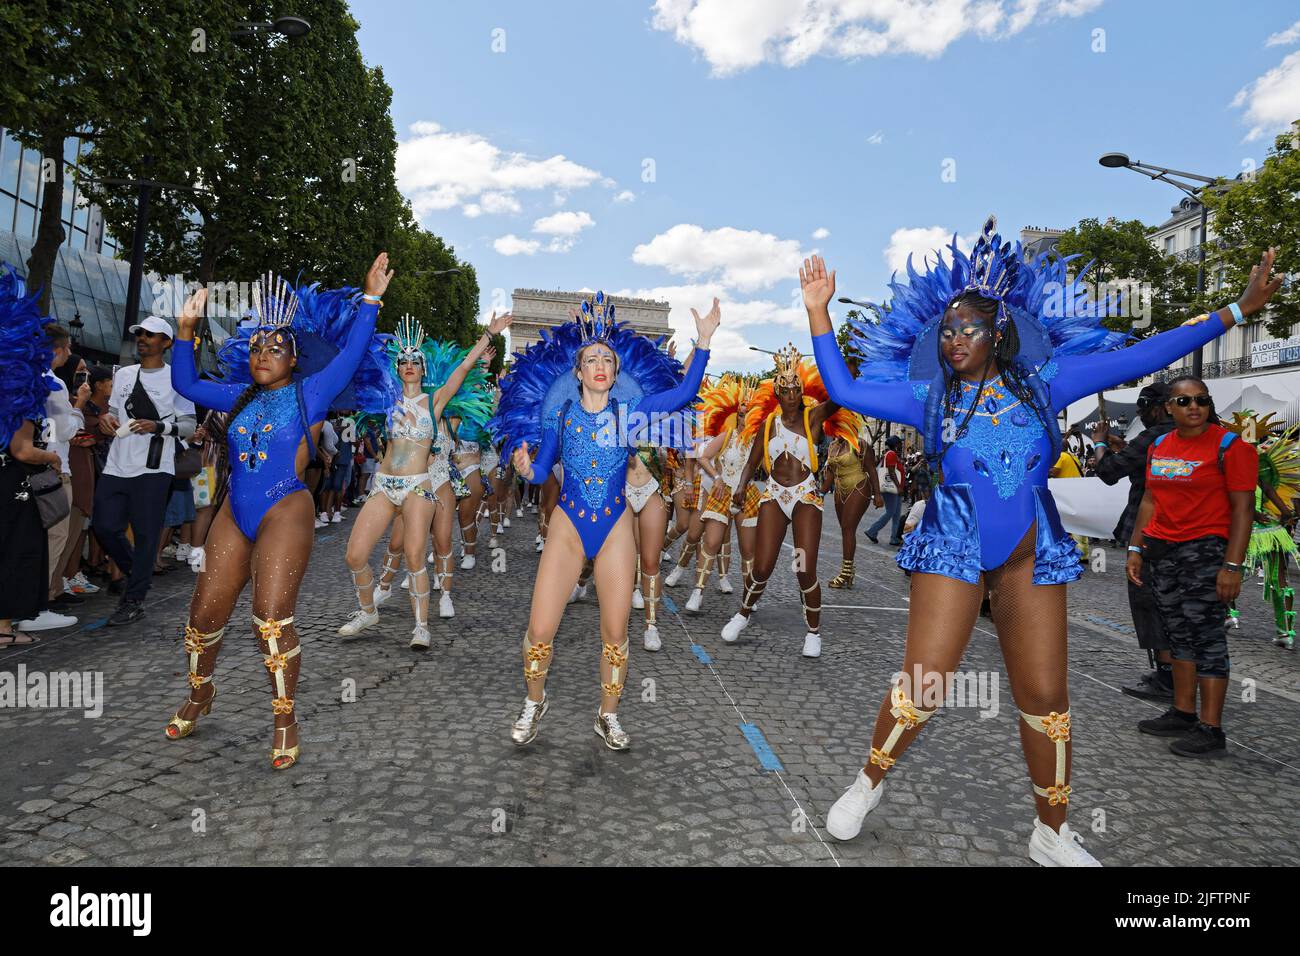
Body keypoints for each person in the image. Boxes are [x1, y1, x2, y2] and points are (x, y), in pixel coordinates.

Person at [802, 222, 1282, 866]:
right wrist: (818, 315)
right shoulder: (929, 398)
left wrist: (1235, 311)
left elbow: (1145, 354)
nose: (953, 339)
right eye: (946, 330)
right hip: (953, 543)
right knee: (926, 683)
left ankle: (1050, 833)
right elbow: (844, 389)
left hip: (1030, 549)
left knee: (1046, 695)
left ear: (998, 333)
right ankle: (866, 785)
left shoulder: (1046, 384)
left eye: (967, 328)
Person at [164, 257, 395, 769]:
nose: (263, 354)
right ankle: (200, 693)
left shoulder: (310, 393)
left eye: (275, 348)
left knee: (269, 619)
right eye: (256, 347)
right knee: (203, 616)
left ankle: (284, 717)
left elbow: (354, 353)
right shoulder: (236, 396)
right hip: (236, 511)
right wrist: (185, 330)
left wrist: (371, 300)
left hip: (286, 507)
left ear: (295, 359)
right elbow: (184, 383)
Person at [495, 292, 713, 749]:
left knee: (615, 633)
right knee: (539, 629)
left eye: (607, 359)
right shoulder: (561, 417)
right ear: (578, 372)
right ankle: (534, 702)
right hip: (569, 525)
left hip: (615, 527)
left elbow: (686, 393)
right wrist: (524, 469)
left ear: (615, 373)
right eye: (590, 358)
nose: (599, 364)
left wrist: (705, 340)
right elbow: (541, 471)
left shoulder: (630, 415)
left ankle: (607, 715)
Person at [338, 314, 505, 648]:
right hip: (384, 485)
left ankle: (421, 626)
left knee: (415, 555)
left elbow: (462, 368)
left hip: (419, 485)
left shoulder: (435, 401)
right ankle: (368, 609)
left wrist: (488, 335)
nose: (410, 364)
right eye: (404, 361)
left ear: (424, 369)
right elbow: (353, 364)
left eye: (416, 360)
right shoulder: (384, 401)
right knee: (354, 555)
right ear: (397, 369)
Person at [1126, 377, 1257, 758]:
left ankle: (1211, 729)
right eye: (1184, 400)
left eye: (1201, 400)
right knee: (1176, 632)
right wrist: (1136, 546)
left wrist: (1232, 565)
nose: (1193, 406)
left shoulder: (1231, 447)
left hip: (1205, 551)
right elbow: (1150, 500)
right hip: (1163, 550)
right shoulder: (1160, 445)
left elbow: (1243, 511)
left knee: (1207, 637)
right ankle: (1183, 712)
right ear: (1169, 407)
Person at [719, 346, 863, 658]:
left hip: (804, 498)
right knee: (762, 565)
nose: (790, 397)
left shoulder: (814, 417)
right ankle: (742, 614)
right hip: (774, 496)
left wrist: (846, 369)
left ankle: (813, 632)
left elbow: (838, 398)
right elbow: (751, 462)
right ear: (777, 394)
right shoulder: (768, 425)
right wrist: (741, 487)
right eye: (784, 392)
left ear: (800, 393)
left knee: (803, 568)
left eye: (794, 391)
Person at [92, 314, 197, 626]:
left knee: (146, 535)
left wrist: (158, 426)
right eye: (140, 334)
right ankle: (138, 573)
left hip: (154, 468)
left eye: (150, 335)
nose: (142, 339)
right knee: (104, 526)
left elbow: (189, 427)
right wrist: (105, 420)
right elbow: (112, 412)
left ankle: (134, 599)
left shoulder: (177, 378)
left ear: (165, 343)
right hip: (117, 464)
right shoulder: (123, 374)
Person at [1092, 382, 1177, 700]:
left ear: (1159, 407)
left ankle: (1167, 677)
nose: (1142, 417)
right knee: (1176, 608)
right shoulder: (1187, 435)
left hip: (1150, 530)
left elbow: (1109, 471)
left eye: (1143, 411)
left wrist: (1100, 444)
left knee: (1150, 604)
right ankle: (1177, 676)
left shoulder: (1155, 435)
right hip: (1189, 534)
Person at [0, 267, 59, 645]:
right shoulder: (16, 389)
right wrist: (52, 459)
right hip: (10, 485)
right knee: (13, 550)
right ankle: (3, 628)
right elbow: (22, 449)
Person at [18, 325, 86, 631]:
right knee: (53, 539)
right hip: (52, 471)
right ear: (56, 350)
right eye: (68, 347)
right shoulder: (53, 383)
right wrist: (79, 406)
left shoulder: (19, 377)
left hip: (24, 470)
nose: (69, 353)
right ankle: (34, 606)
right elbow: (66, 431)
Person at [682, 375, 761, 615]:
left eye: (748, 413)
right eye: (740, 413)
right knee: (712, 542)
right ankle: (698, 591)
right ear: (735, 415)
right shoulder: (727, 436)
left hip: (747, 495)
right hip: (722, 492)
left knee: (748, 550)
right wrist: (716, 477)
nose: (743, 417)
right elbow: (703, 456)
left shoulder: (759, 440)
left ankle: (749, 596)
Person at [823, 424, 882, 588]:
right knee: (845, 530)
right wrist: (820, 493)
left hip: (859, 486)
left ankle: (846, 572)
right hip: (839, 489)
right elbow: (830, 474)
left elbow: (871, 469)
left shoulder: (860, 444)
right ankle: (849, 571)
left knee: (848, 528)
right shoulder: (832, 446)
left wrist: (877, 494)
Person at [864, 435, 906, 546]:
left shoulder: (893, 454)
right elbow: (891, 472)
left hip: (894, 489)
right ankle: (872, 531)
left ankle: (894, 538)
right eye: (899, 443)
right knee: (890, 512)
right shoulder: (891, 454)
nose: (901, 445)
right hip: (891, 489)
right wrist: (899, 486)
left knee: (896, 514)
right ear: (895, 444)